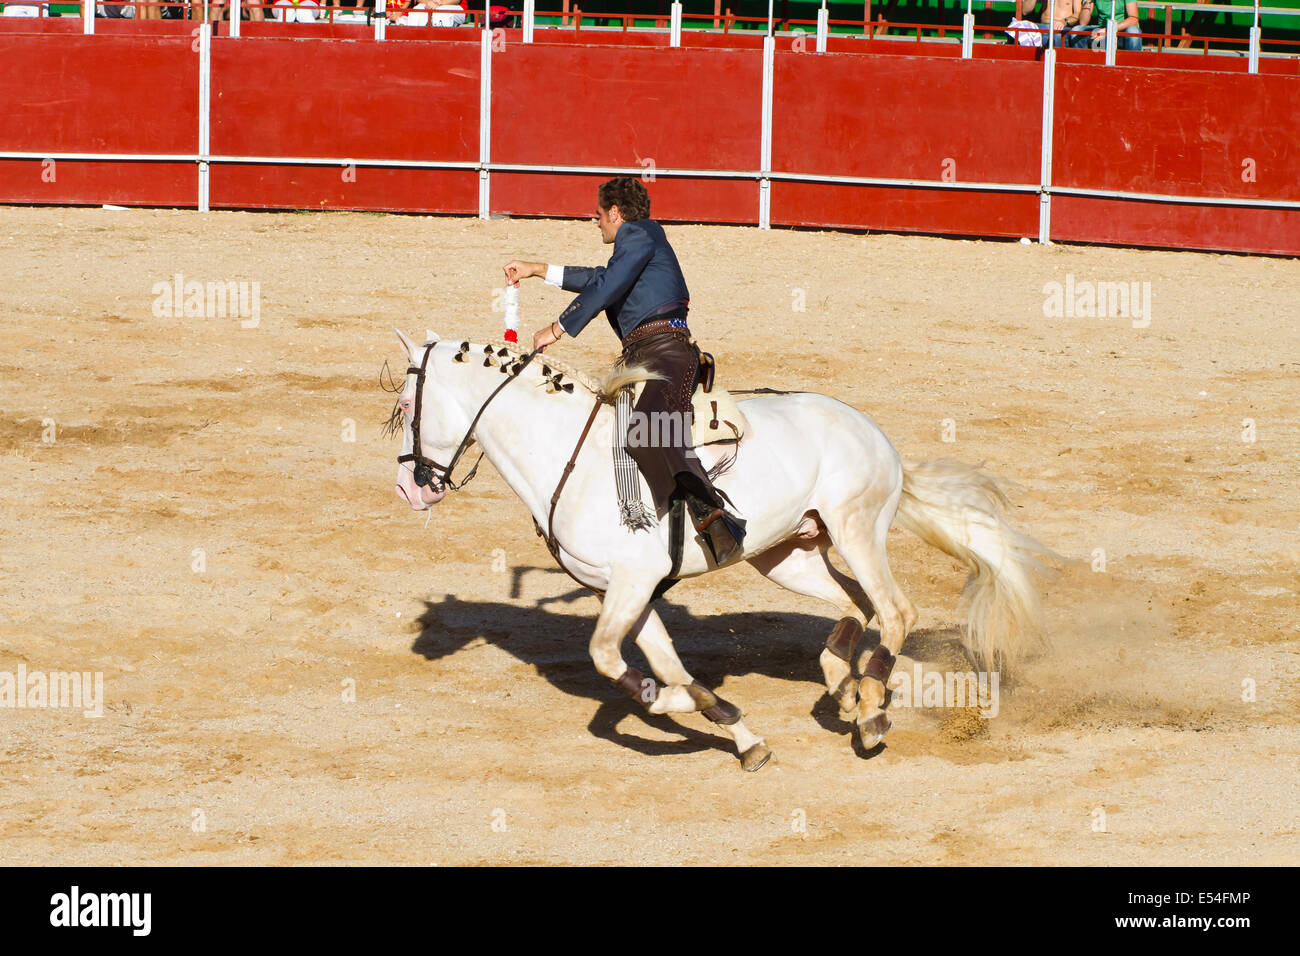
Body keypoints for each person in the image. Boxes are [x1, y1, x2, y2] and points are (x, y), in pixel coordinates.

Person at [503, 177, 746, 566]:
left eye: (599, 215)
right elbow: (600, 279)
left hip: (666, 353)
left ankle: (713, 516)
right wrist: (536, 269)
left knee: (649, 428)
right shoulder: (638, 246)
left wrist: (557, 329)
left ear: (615, 213)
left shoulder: (639, 234)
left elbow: (608, 285)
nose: (596, 221)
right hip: (646, 355)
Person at [1010, 0, 1086, 47]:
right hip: (1042, 27)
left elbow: (1077, 14)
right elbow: (1025, 11)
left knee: (1056, 36)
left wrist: (1064, 21)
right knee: (1015, 30)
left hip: (1062, 29)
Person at [1072, 0, 1142, 51]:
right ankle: (1082, 66)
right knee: (1077, 30)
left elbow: (1133, 19)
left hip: (1121, 31)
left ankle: (1133, 66)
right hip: (1102, 30)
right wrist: (1087, 2)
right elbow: (1083, 22)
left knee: (1134, 31)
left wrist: (1108, 30)